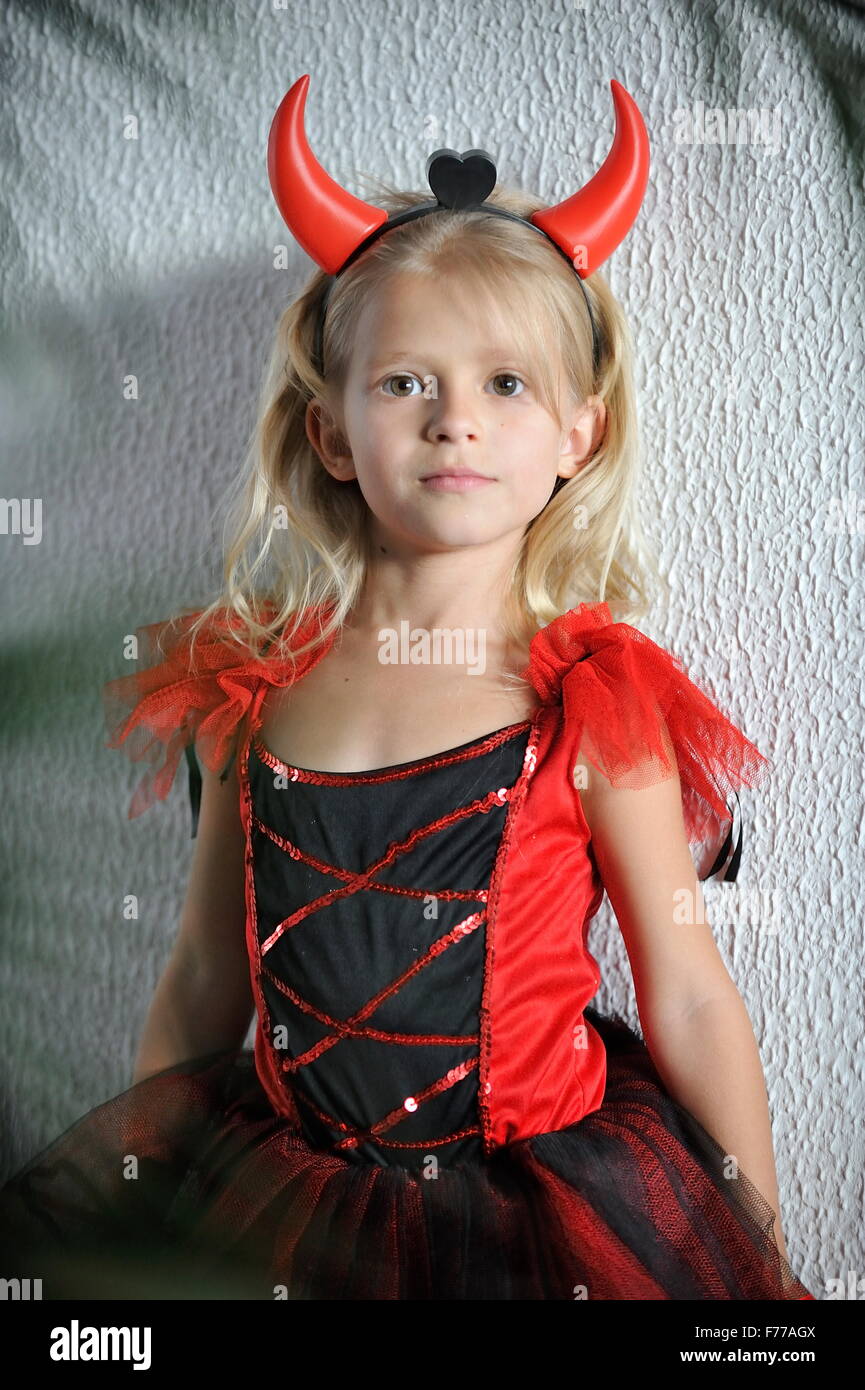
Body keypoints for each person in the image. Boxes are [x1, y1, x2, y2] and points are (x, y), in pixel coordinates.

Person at [0, 75, 814, 1301]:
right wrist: (142, 1218)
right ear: (332, 432)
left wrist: (756, 1256)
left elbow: (689, 992)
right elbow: (202, 983)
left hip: (535, 1219)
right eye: (404, 384)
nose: (454, 425)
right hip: (283, 1212)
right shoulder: (250, 693)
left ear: (574, 437)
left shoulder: (590, 703)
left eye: (504, 384)